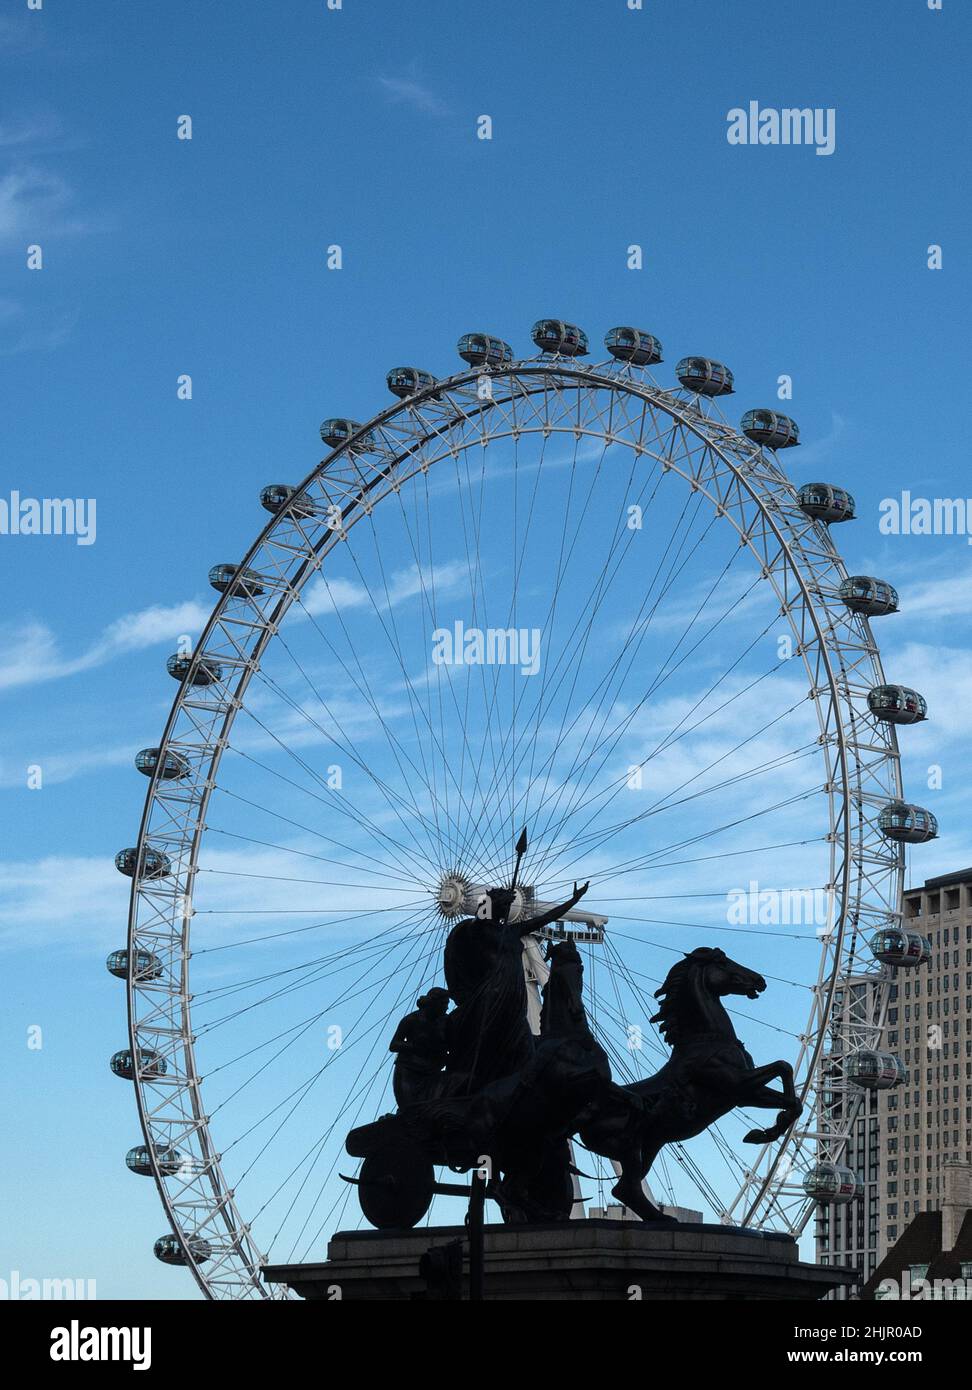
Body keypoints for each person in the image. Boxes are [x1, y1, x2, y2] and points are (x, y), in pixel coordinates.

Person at [442, 880, 590, 1090]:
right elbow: (476, 925)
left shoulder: (510, 932)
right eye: (503, 907)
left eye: (508, 908)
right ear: (492, 906)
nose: (506, 912)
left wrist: (574, 900)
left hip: (513, 1001)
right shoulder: (477, 930)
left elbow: (546, 918)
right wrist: (486, 901)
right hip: (492, 998)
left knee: (525, 1048)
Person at [388, 987, 450, 1107]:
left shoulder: (446, 1021)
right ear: (434, 1003)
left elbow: (452, 1046)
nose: (446, 1007)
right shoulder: (411, 1020)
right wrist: (416, 1047)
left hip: (432, 1071)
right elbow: (394, 1045)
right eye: (443, 1004)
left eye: (447, 1004)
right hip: (409, 1071)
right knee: (411, 1109)